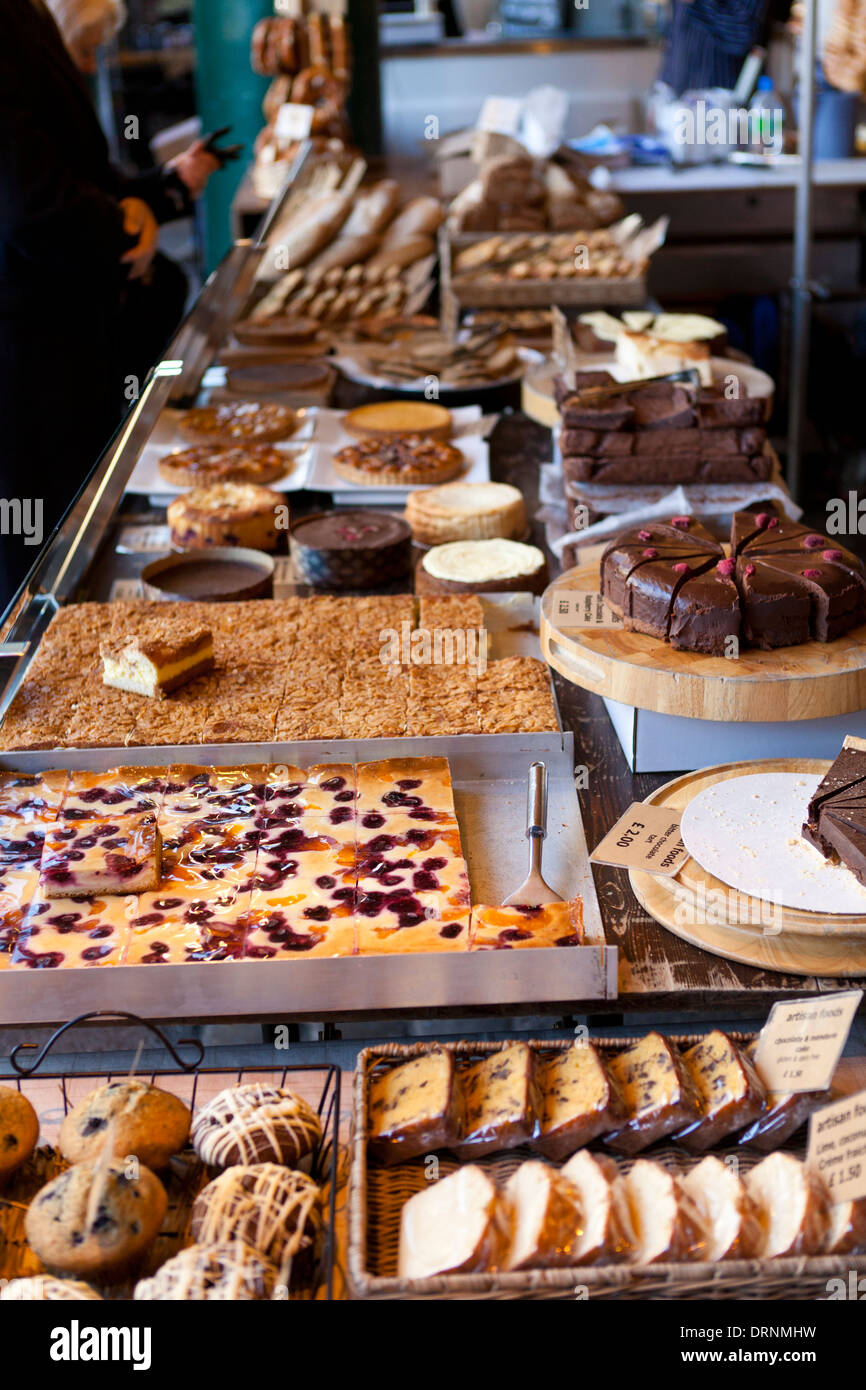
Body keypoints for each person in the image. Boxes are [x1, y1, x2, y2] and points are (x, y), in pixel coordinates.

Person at [0, 0, 215, 610]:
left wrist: (156, 195)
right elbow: (30, 205)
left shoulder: (27, 17)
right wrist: (125, 234)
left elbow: (74, 173)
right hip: (29, 356)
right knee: (35, 568)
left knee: (69, 550)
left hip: (63, 341)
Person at [659, 0, 770, 94]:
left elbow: (742, 36)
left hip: (720, 102)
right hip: (675, 97)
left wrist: (699, 2)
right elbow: (674, 33)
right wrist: (661, 88)